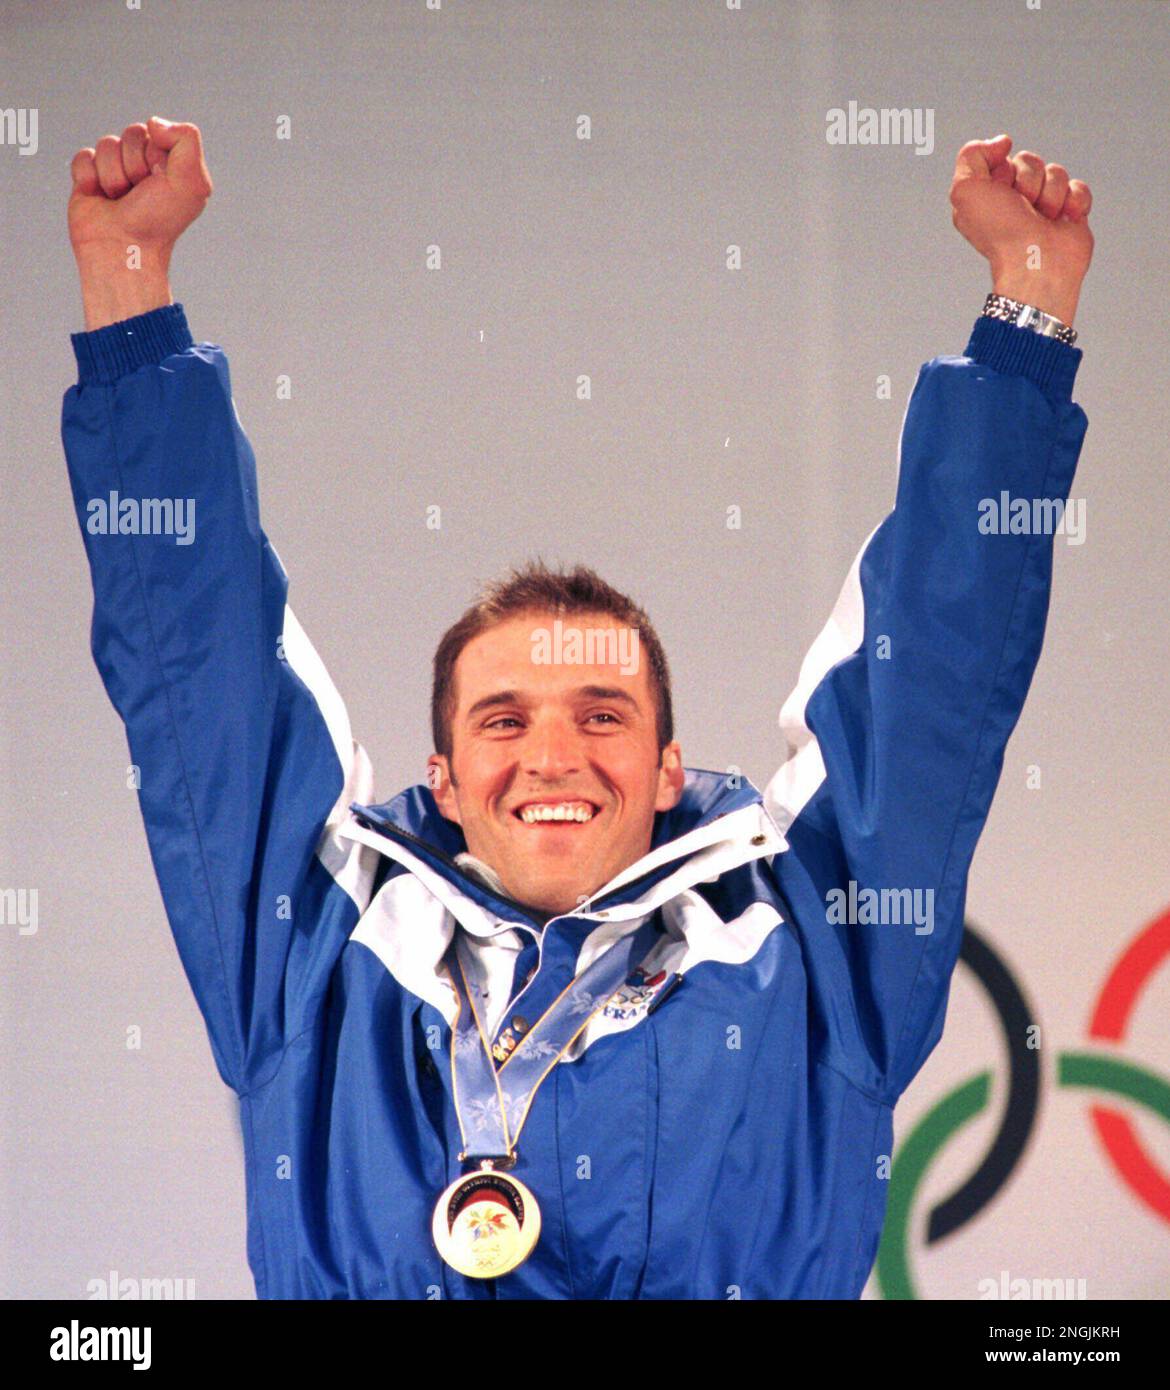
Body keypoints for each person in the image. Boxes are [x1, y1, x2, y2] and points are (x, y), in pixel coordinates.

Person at [61, 117, 1093, 1299]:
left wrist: (1030, 301)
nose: (553, 754)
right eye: (502, 720)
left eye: (603, 714)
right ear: (441, 778)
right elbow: (197, 669)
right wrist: (127, 284)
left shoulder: (812, 945)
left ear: (669, 770)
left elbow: (938, 676)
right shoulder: (312, 948)